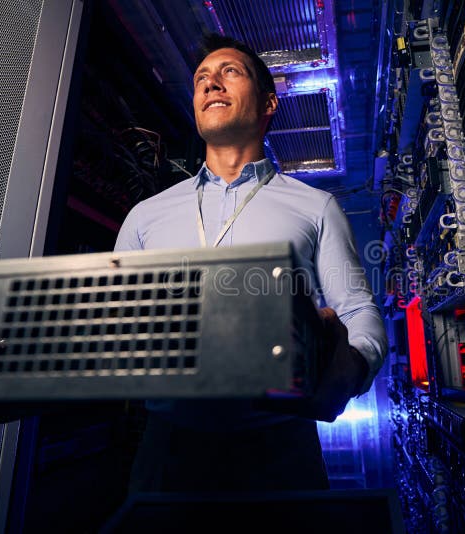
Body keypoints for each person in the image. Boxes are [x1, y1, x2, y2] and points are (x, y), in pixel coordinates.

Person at [115, 34, 387, 493]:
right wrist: (37, 389)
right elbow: (110, 320)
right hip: (168, 447)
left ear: (268, 103)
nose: (211, 84)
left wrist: (354, 368)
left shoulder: (316, 207)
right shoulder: (147, 215)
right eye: (202, 78)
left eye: (229, 73)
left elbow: (358, 310)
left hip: (281, 442)